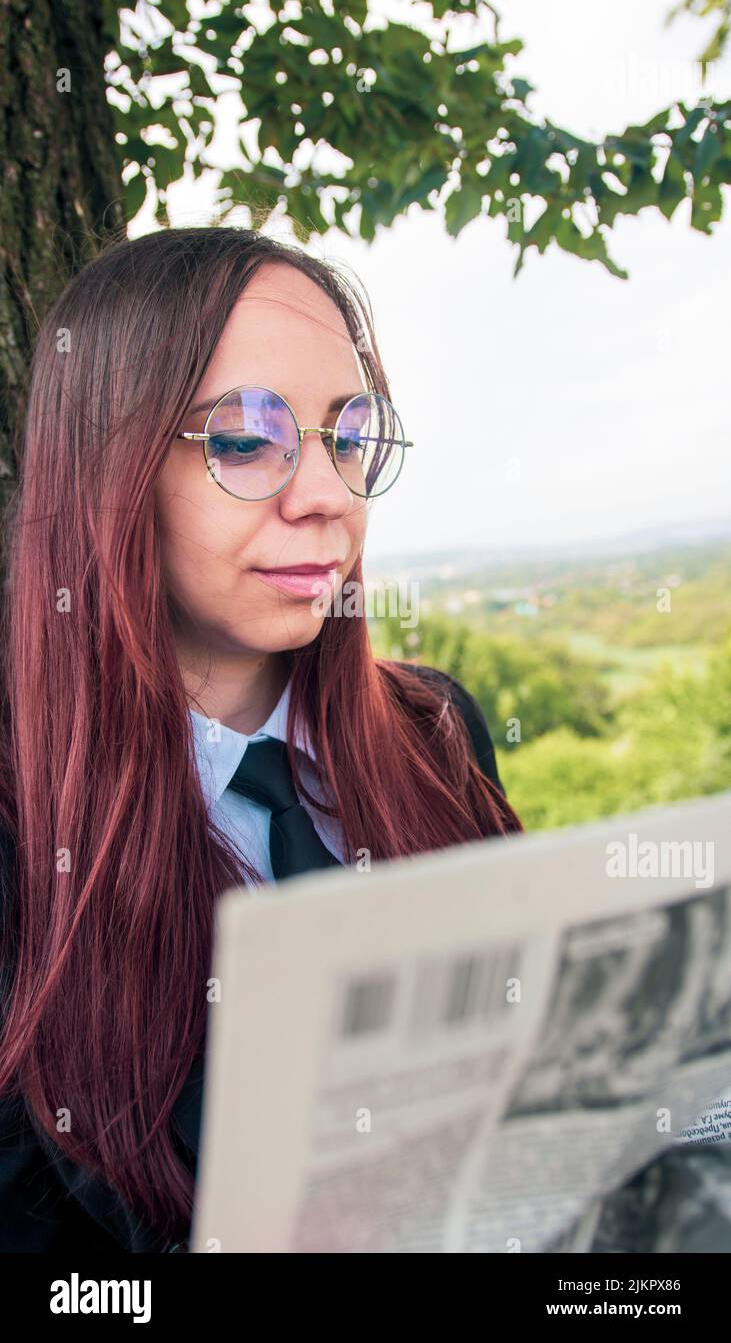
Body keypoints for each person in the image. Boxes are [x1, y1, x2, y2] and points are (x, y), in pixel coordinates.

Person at [0, 226, 521, 1253]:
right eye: (243, 438)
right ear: (106, 468)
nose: (327, 497)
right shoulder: (22, 844)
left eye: (349, 434)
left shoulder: (436, 737)